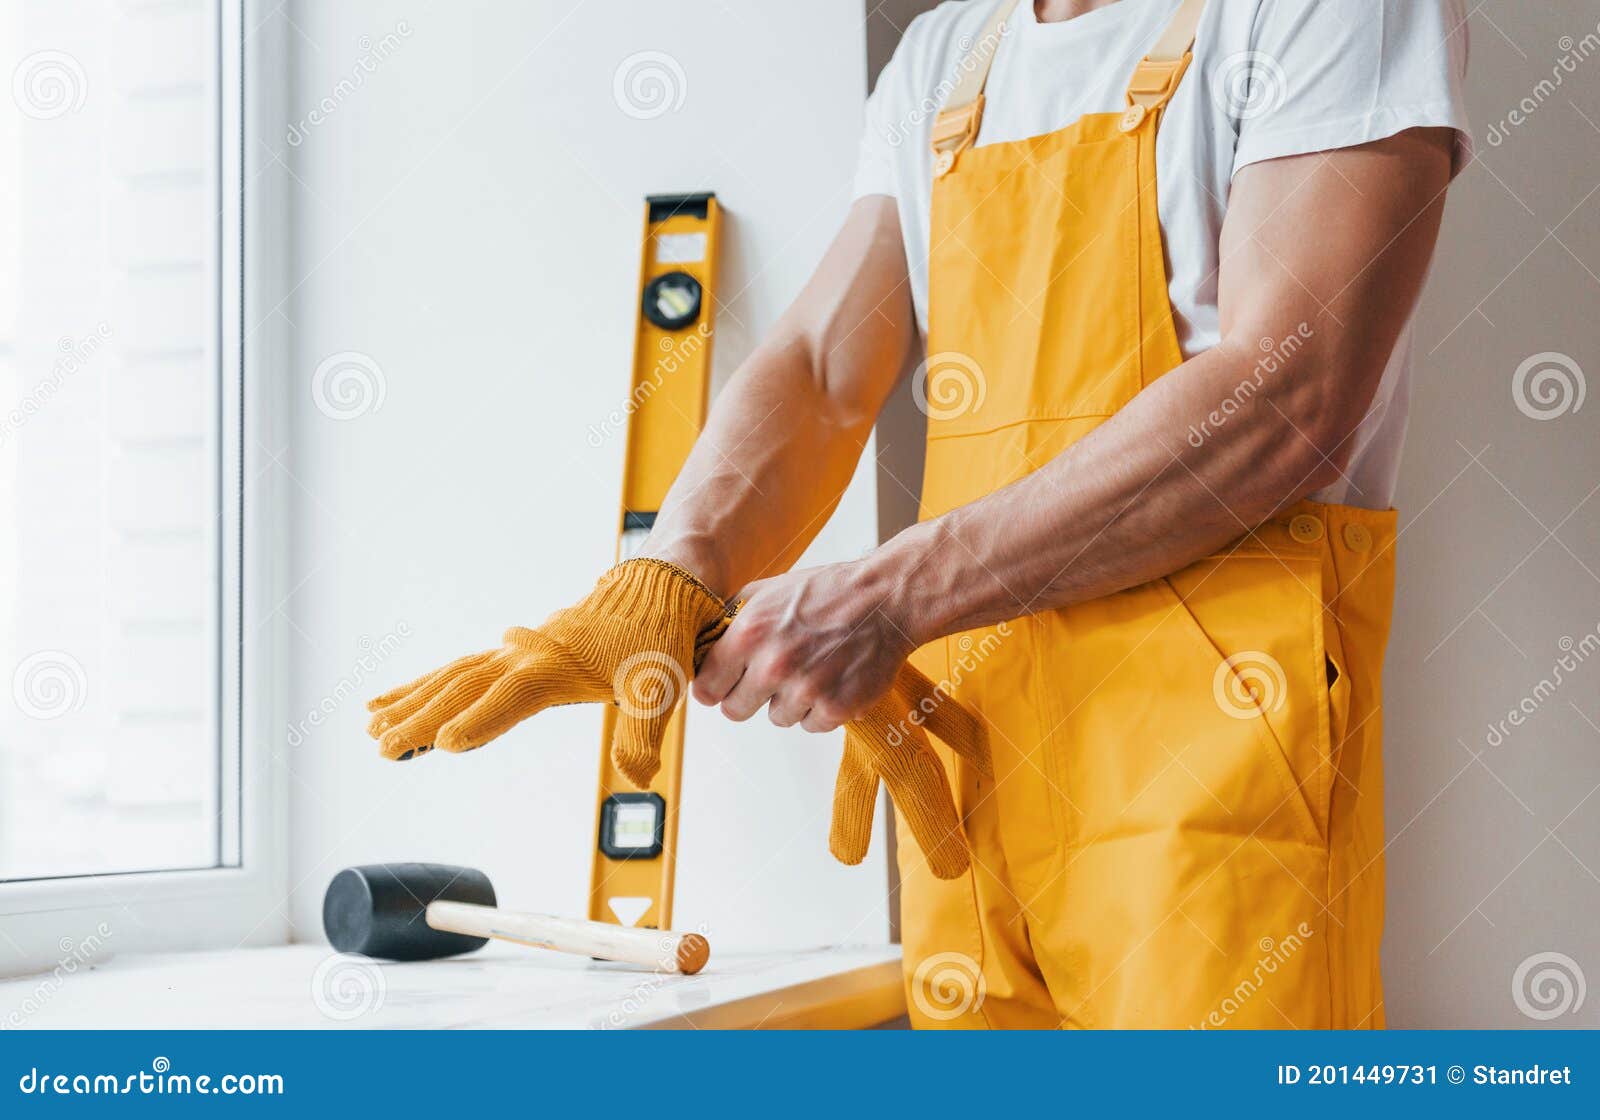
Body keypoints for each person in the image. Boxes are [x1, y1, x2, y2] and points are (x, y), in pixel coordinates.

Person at [368, 0, 1471, 1028]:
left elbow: (1285, 394)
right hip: (972, 758)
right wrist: (673, 568)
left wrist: (889, 593)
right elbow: (817, 368)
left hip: (1216, 752)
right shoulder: (953, 57)